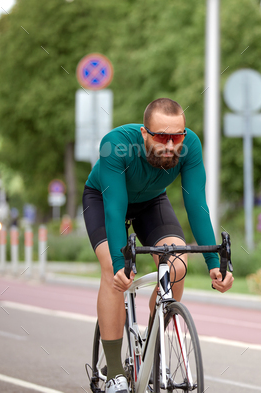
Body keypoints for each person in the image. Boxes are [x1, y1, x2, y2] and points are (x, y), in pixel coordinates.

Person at [82, 98, 234, 393]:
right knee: (114, 278)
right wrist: (119, 265)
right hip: (104, 201)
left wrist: (215, 265)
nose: (170, 144)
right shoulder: (115, 144)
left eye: (177, 136)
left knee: (177, 264)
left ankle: (153, 341)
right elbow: (115, 210)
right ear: (143, 133)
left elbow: (197, 205)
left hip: (151, 203)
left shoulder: (190, 146)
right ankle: (114, 372)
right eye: (161, 136)